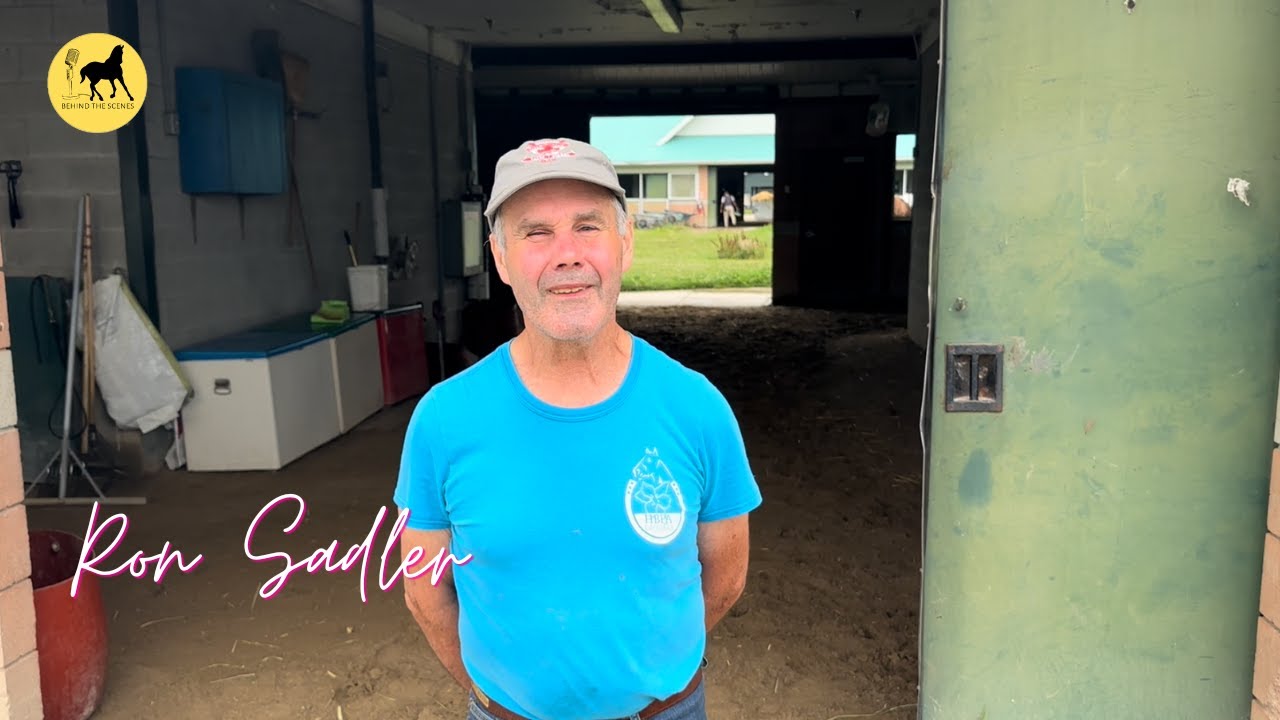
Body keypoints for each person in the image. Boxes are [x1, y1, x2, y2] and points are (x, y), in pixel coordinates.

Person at [393, 137, 763, 720]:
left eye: (588, 227)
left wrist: (651, 672)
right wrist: (498, 698)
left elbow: (726, 575)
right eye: (536, 233)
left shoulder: (696, 408)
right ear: (500, 255)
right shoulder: (444, 419)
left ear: (625, 243)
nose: (566, 254)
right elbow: (423, 591)